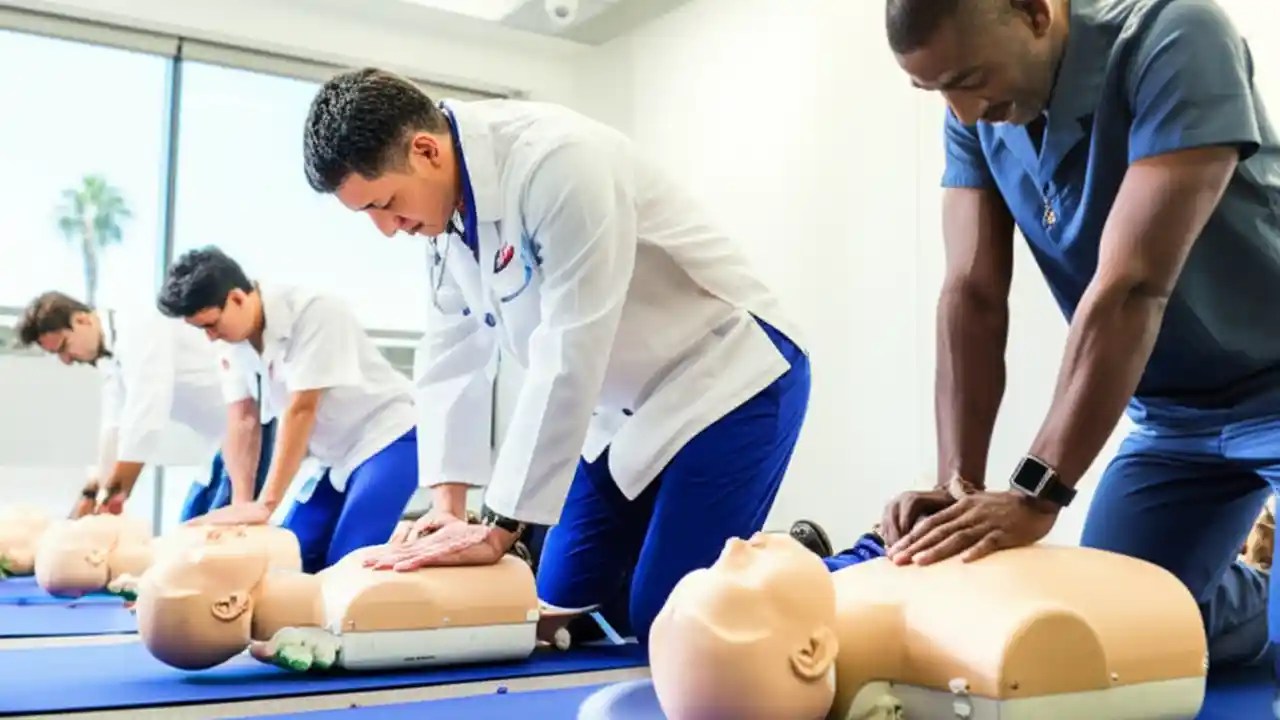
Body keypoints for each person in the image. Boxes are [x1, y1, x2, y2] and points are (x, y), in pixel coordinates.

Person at [300, 68, 812, 644]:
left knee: (671, 623)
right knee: (554, 606)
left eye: (386, 204)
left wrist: (497, 525)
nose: (388, 230)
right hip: (617, 413)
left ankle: (823, 566)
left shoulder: (560, 163)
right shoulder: (443, 220)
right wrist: (447, 508)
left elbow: (571, 344)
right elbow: (449, 355)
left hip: (725, 377)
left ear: (426, 150)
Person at [876, 0, 1280, 667]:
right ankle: (1254, 588)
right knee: (1108, 639)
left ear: (1036, 12)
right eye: (935, 90)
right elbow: (971, 296)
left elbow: (1132, 286)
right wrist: (958, 483)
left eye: (969, 79)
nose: (962, 112)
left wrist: (1038, 491)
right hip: (1174, 422)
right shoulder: (975, 113)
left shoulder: (1176, 34)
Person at [156, 246, 420, 573]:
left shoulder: (314, 310)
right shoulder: (233, 343)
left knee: (347, 565)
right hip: (332, 458)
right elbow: (242, 420)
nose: (210, 338)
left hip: (388, 438)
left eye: (211, 324)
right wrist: (243, 506)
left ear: (237, 298)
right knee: (290, 558)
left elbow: (301, 409)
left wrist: (266, 504)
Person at [15, 291, 275, 521]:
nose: (67, 361)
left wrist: (113, 495)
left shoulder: (138, 327)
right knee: (190, 528)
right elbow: (114, 428)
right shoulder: (108, 356)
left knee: (215, 538)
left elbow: (146, 417)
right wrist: (94, 489)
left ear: (82, 320)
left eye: (64, 347)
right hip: (219, 442)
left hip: (252, 428)